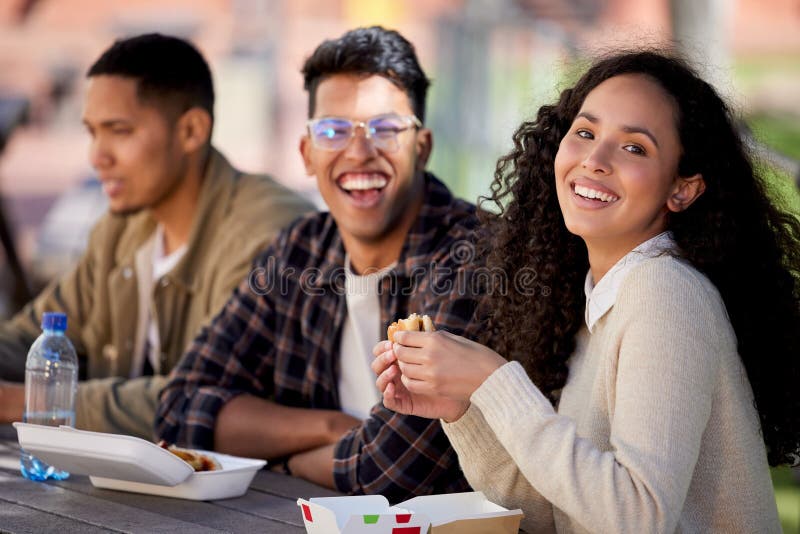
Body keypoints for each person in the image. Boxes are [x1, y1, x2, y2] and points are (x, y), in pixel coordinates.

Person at [373, 50, 799, 532]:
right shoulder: (602, 294)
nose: (595, 161)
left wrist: (494, 379)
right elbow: (557, 514)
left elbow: (638, 517)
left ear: (683, 189)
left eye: (634, 147)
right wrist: (465, 409)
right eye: (586, 133)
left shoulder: (666, 294)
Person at [155, 26, 479, 500]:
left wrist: (280, 461)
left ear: (422, 147)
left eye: (386, 129)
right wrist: (332, 426)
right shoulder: (298, 253)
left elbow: (392, 469)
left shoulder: (475, 256)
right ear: (307, 153)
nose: (359, 152)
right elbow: (181, 408)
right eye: (333, 130)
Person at [0, 33, 313, 439]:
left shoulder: (269, 232)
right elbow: (34, 338)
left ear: (191, 131)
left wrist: (17, 401)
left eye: (120, 131)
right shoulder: (122, 229)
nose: (98, 156)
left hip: (256, 498)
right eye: (93, 132)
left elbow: (208, 396)